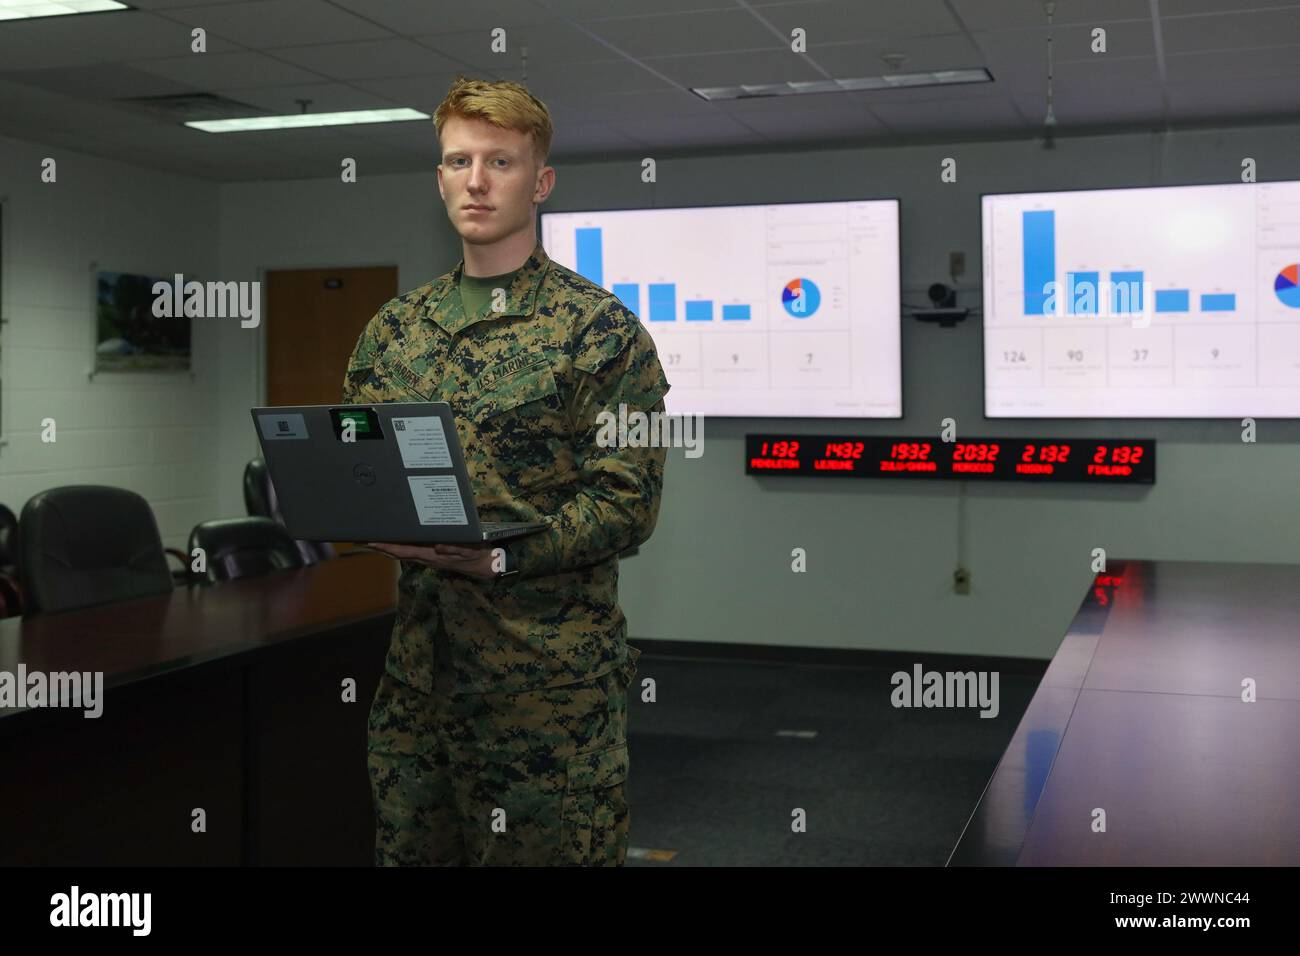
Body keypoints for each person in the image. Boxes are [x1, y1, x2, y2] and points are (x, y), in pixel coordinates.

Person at [340, 75, 670, 866]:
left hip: (547, 694)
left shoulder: (602, 333)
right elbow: (359, 460)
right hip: (421, 680)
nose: (476, 181)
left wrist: (499, 553)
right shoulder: (395, 330)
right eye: (458, 161)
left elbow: (627, 506)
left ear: (541, 181)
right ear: (440, 177)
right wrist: (352, 505)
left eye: (501, 162)